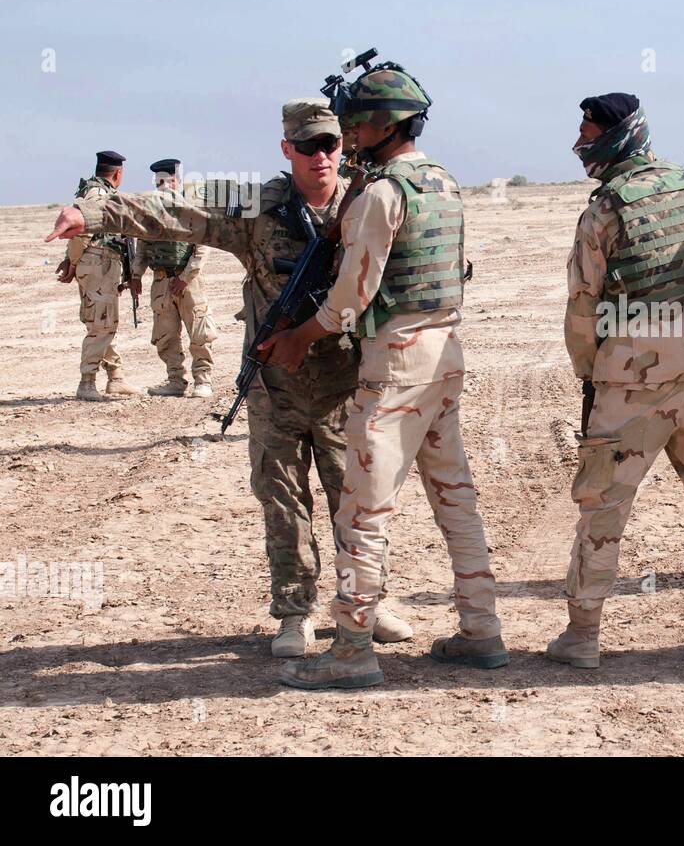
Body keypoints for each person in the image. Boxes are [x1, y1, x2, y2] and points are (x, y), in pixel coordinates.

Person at [46, 100, 415, 657]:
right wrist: (96, 215)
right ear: (286, 148)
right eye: (308, 145)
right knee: (282, 497)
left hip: (347, 384)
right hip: (276, 385)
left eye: (331, 145)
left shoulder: (369, 200)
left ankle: (366, 602)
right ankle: (295, 612)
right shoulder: (257, 203)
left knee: (357, 498)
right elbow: (176, 208)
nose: (321, 156)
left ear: (346, 146)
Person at [261, 60, 506, 689]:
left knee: (362, 513)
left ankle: (352, 650)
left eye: (354, 125)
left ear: (376, 126)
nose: (347, 135)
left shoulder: (380, 194)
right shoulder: (443, 183)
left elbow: (349, 301)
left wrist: (298, 336)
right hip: (446, 355)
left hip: (396, 364)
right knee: (455, 500)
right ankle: (482, 632)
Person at [545, 93, 684, 669]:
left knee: (604, 507)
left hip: (628, 385)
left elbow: (581, 309)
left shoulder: (603, 211)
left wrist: (590, 374)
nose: (580, 143)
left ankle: (583, 636)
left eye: (588, 132)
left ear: (616, 137)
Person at [56, 150, 142, 401]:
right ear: (118, 173)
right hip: (98, 263)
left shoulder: (94, 191)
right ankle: (87, 382)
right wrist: (72, 262)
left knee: (102, 321)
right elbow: (81, 232)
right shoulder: (98, 194)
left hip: (99, 263)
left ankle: (116, 377)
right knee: (102, 323)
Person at [135, 158, 217, 398]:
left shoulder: (189, 209)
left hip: (188, 282)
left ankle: (203, 380)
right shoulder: (150, 213)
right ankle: (175, 380)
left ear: (177, 181)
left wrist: (186, 276)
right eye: (159, 181)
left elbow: (202, 247)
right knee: (165, 335)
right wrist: (136, 275)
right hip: (161, 280)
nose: (163, 185)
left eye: (168, 181)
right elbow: (142, 247)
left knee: (199, 333)